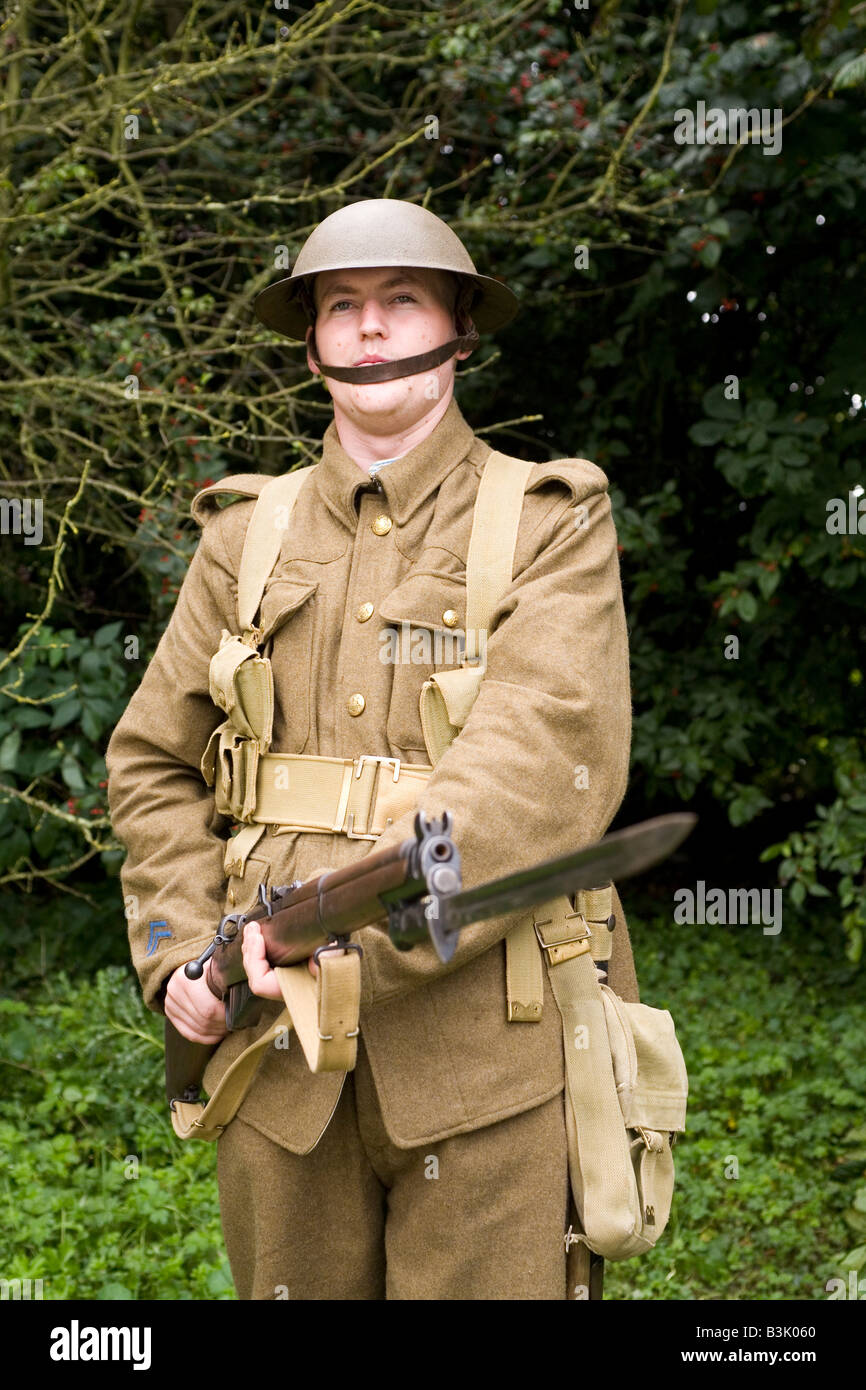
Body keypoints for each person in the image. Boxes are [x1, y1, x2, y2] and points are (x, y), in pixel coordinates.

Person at [106, 198, 638, 1300]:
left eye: (401, 300)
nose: (370, 327)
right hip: (273, 1056)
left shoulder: (548, 520)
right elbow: (154, 761)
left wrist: (335, 923)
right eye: (341, 305)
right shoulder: (242, 536)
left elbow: (539, 765)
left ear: (457, 331)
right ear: (310, 345)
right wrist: (172, 952)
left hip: (484, 1049)